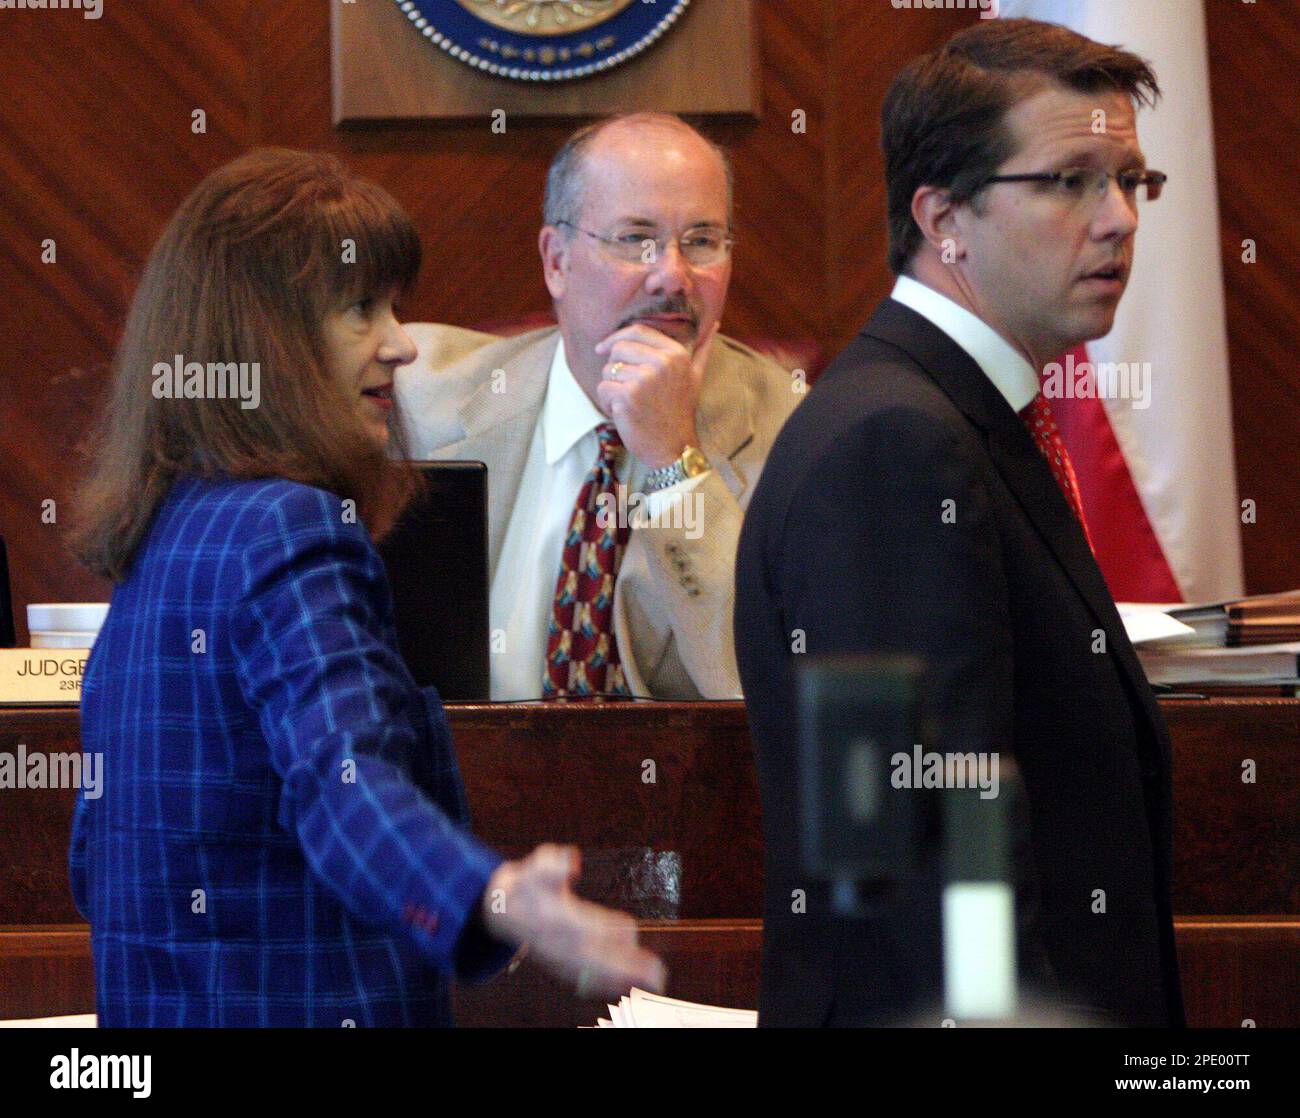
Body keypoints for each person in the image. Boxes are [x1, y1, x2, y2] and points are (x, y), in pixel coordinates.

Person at [68, 148, 663, 1027]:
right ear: (265, 337)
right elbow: (345, 786)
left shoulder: (162, 533)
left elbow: (95, 859)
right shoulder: (290, 528)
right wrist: (492, 896)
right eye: (360, 309)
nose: (403, 343)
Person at [734, 19, 1183, 1027]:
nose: (1118, 220)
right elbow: (927, 850)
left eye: (1130, 182)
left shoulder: (956, 415)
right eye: (1070, 181)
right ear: (943, 219)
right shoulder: (894, 442)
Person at [397, 113, 802, 701]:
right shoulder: (417, 394)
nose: (672, 276)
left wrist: (674, 462)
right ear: (556, 261)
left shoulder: (795, 432)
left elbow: (761, 688)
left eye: (702, 242)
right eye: (636, 239)